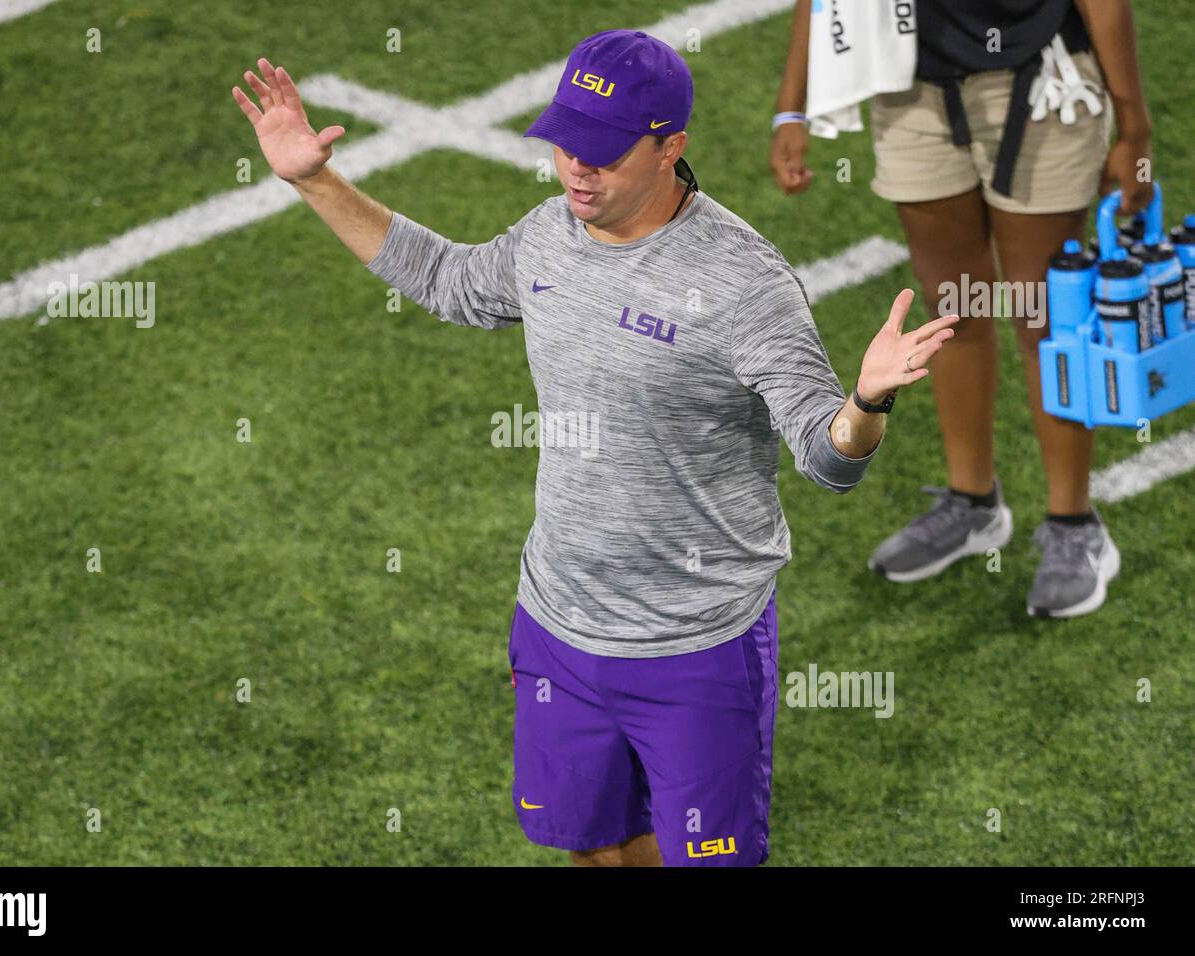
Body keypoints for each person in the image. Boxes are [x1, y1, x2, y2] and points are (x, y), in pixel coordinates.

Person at [233, 30, 957, 866]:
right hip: (558, 630)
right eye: (565, 143)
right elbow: (447, 281)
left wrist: (867, 400)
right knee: (593, 850)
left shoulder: (743, 284)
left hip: (697, 649)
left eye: (605, 153)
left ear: (670, 149)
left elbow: (829, 461)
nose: (578, 167)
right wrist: (314, 179)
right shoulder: (549, 237)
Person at [770, 0, 1153, 618]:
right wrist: (792, 104)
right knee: (954, 309)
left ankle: (1075, 523)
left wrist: (1133, 126)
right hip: (910, 89)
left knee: (1043, 317)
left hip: (1042, 84)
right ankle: (973, 504)